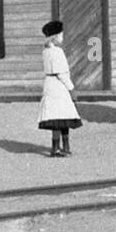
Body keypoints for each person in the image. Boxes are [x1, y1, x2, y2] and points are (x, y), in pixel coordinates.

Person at [37, 20, 82, 156]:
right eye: (61, 35)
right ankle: (61, 147)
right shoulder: (57, 52)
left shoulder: (46, 51)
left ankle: (58, 146)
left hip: (50, 85)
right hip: (59, 86)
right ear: (55, 37)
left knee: (56, 116)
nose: (62, 37)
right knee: (61, 117)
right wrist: (71, 88)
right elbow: (61, 73)